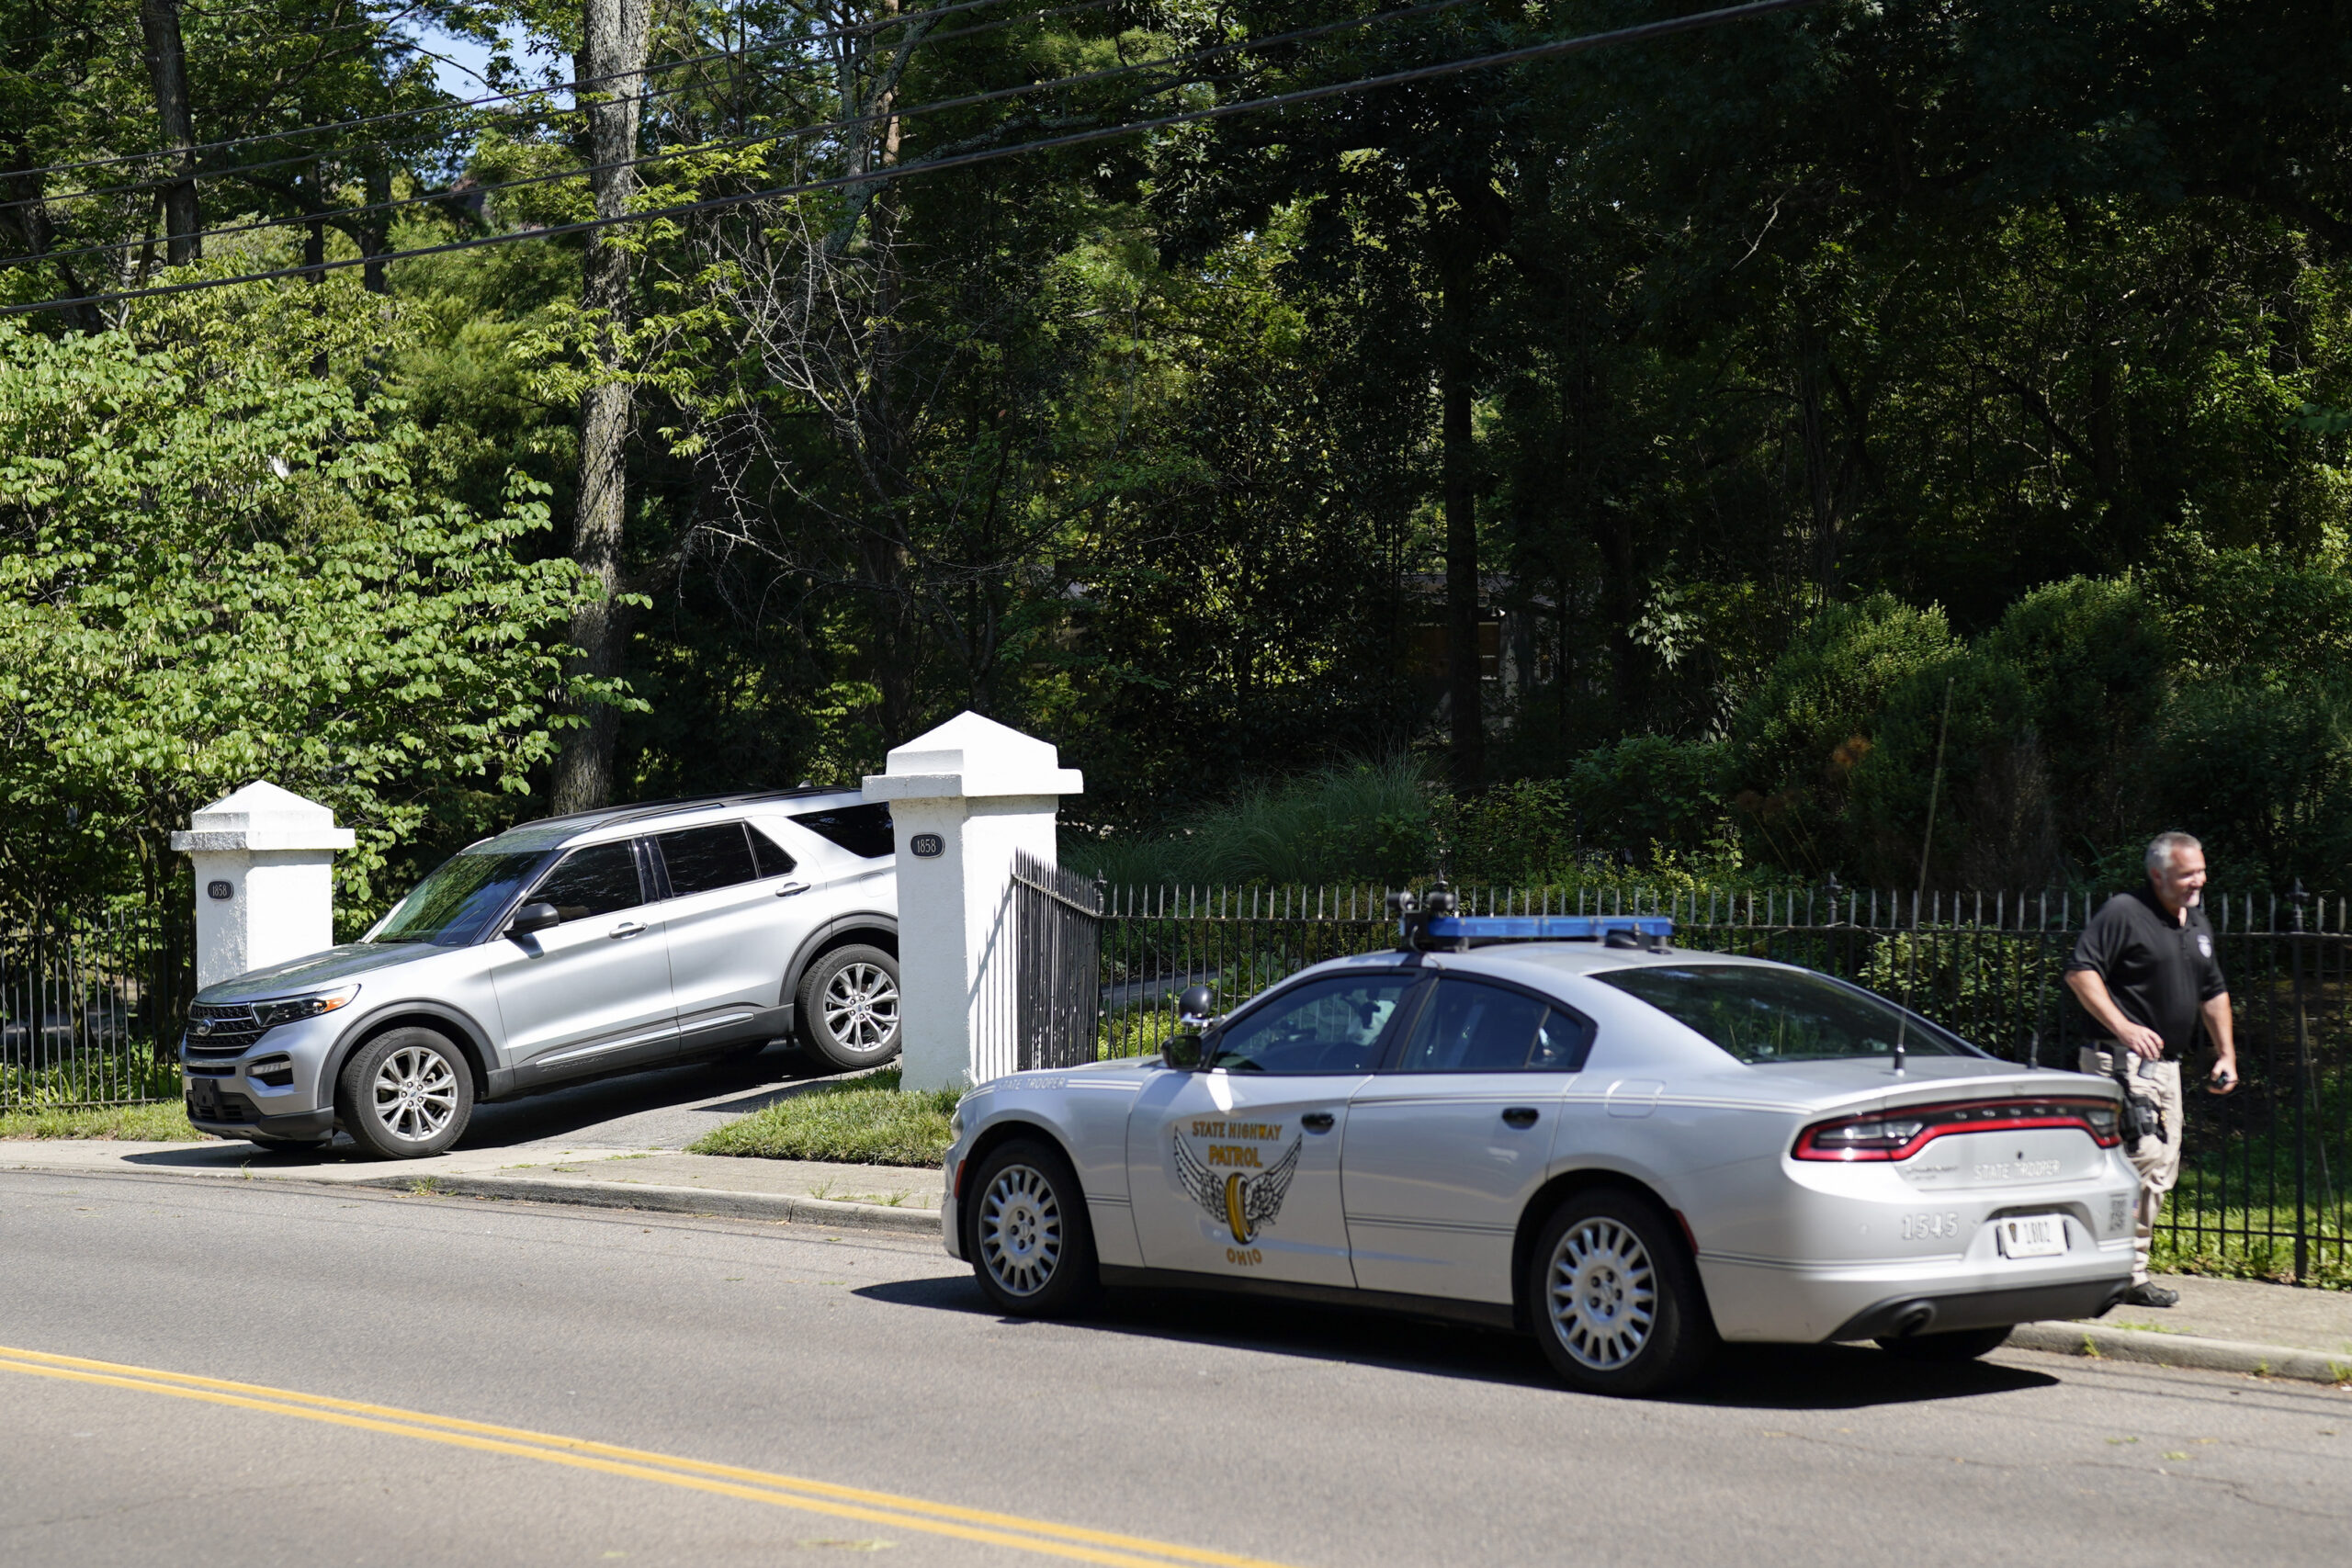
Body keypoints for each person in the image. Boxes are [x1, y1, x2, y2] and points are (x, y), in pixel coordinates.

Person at [2063, 831, 2240, 1308]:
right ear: (2157, 875)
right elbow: (2081, 971)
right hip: (2119, 1064)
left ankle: (2128, 1273)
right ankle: (2101, 1268)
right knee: (2134, 1161)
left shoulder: (2197, 922)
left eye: (2201, 871)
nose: (2198, 881)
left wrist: (2226, 1053)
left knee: (2160, 1171)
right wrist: (2123, 1026)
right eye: (2187, 874)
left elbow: (2213, 989)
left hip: (2167, 1069)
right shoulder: (2124, 912)